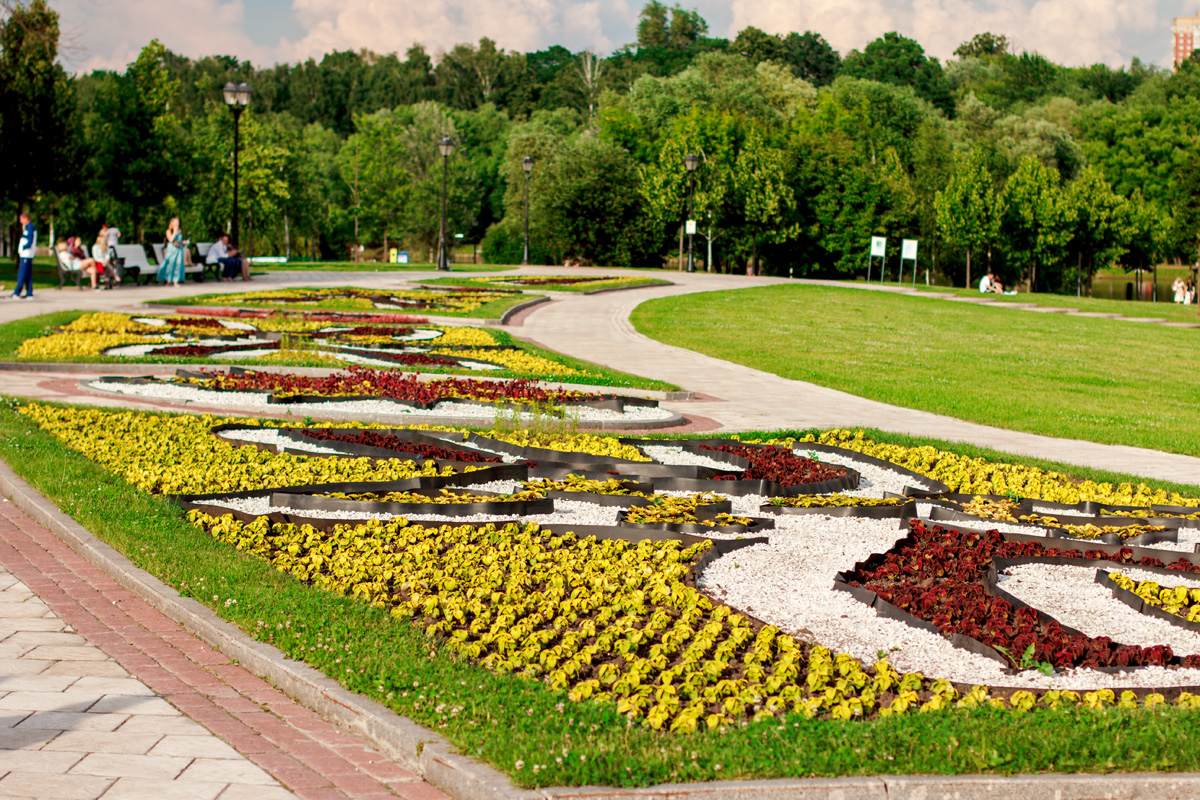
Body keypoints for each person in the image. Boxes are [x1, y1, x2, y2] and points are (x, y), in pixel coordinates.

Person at [11, 212, 35, 299]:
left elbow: (30, 240)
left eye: (21, 219)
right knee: (28, 274)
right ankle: (29, 293)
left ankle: (17, 292)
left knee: (22, 274)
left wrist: (24, 247)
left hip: (26, 254)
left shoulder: (30, 228)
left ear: (26, 218)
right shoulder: (28, 227)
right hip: (26, 254)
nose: (21, 221)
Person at [157, 217, 187, 286]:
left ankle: (175, 281)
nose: (177, 224)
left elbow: (179, 241)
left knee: (178, 265)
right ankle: (168, 280)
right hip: (171, 251)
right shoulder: (168, 231)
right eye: (176, 222)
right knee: (170, 265)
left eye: (178, 222)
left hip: (179, 250)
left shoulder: (180, 231)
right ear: (172, 223)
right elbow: (170, 239)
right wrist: (174, 232)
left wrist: (183, 242)